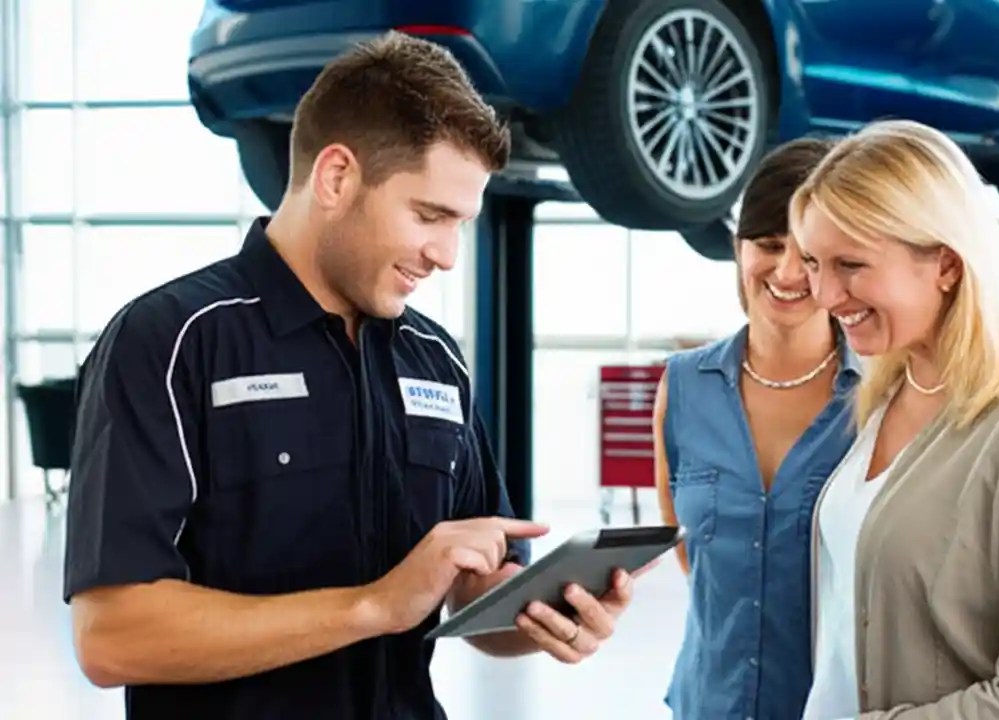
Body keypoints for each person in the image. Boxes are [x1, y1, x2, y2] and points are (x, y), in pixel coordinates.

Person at [62, 32, 637, 720]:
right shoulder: (171, 341)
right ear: (336, 177)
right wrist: (373, 606)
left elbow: (472, 588)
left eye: (462, 224)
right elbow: (114, 636)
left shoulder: (436, 359)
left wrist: (544, 613)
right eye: (429, 215)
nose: (447, 255)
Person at [793, 119, 999, 719]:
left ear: (945, 265)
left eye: (851, 265)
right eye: (814, 262)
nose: (825, 295)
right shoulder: (882, 395)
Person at [654, 137, 859, 720]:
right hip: (707, 702)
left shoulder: (881, 397)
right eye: (768, 245)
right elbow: (691, 551)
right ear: (738, 249)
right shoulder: (684, 385)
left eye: (812, 253)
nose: (788, 271)